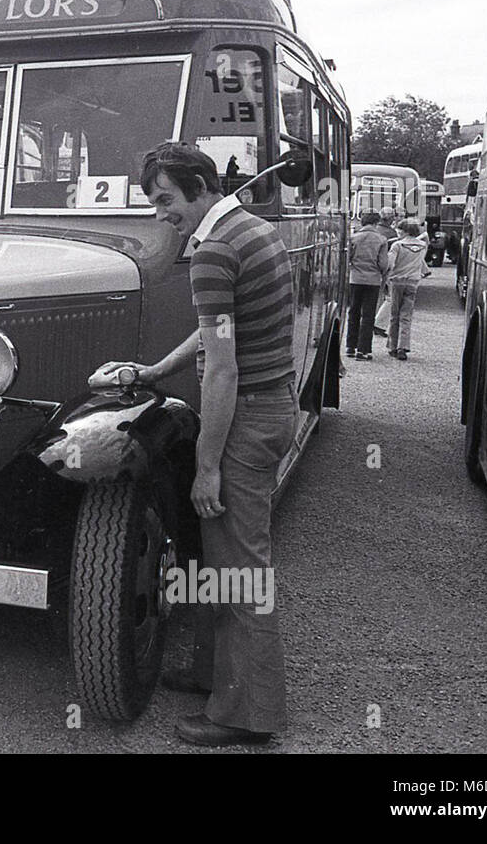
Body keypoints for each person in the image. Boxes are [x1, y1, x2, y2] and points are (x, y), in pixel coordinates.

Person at [89, 141, 296, 746]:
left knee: (240, 569)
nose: (159, 215)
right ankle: (213, 674)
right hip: (271, 408)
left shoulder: (212, 253)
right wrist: (154, 372)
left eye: (165, 200)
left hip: (246, 418)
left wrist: (207, 467)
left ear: (199, 186)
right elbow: (211, 332)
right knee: (220, 556)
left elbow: (224, 368)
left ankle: (245, 716)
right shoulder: (251, 228)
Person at [384, 219, 432, 360]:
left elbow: (390, 264)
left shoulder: (397, 245)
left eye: (399, 230)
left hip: (397, 281)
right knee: (406, 315)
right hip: (413, 282)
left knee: (394, 315)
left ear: (405, 231)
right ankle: (403, 347)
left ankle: (392, 346)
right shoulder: (423, 246)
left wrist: (386, 278)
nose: (397, 232)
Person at [346, 211, 389, 360]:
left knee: (353, 312)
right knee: (368, 315)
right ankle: (363, 350)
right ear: (376, 223)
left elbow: (347, 258)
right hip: (372, 281)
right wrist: (383, 274)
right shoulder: (381, 240)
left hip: (355, 279)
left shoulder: (354, 237)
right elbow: (383, 263)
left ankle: (350, 346)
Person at [371, 206, 399, 337]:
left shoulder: (374, 230)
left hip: (368, 268)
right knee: (386, 297)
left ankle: (370, 320)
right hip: (384, 268)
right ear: (391, 219)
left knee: (373, 296)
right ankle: (377, 323)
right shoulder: (392, 234)